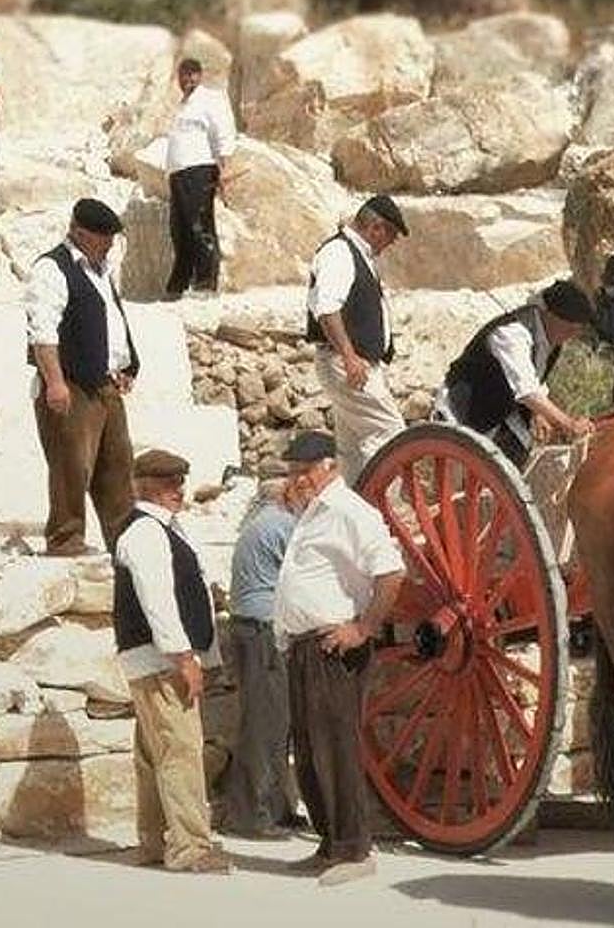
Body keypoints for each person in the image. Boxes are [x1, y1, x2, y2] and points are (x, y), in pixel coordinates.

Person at [272, 431, 404, 886]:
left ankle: (354, 847)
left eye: (305, 469)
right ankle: (330, 842)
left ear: (330, 466)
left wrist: (363, 629)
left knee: (336, 747)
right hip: (304, 644)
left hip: (334, 644)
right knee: (310, 751)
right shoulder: (313, 513)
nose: (298, 478)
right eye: (293, 470)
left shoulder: (351, 511)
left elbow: (390, 572)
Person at [114, 448, 229, 874]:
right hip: (161, 661)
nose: (178, 491)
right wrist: (184, 658)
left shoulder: (157, 530)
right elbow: (158, 600)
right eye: (170, 485)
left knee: (153, 753)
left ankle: (153, 840)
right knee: (180, 751)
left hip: (152, 659)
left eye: (179, 483)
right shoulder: (147, 534)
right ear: (152, 489)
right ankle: (190, 848)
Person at [26, 197, 139, 556]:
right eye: (102, 237)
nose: (108, 245)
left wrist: (127, 365)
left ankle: (125, 542)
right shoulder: (51, 269)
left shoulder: (101, 271)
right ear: (80, 232)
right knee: (71, 466)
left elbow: (111, 322)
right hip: (71, 384)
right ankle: (65, 539)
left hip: (105, 383)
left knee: (118, 468)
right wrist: (55, 383)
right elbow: (43, 332)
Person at [215, 469, 301, 838]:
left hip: (252, 627)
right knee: (266, 724)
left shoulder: (256, 522)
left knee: (272, 721)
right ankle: (251, 815)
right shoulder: (282, 526)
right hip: (264, 630)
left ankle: (277, 807)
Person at [434, 279, 596, 466]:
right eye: (570, 328)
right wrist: (568, 424)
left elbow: (536, 379)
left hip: (499, 416)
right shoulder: (511, 334)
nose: (572, 335)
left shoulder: (550, 339)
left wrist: (539, 414)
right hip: (465, 413)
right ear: (551, 315)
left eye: (576, 330)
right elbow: (526, 390)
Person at [305, 195, 409, 479]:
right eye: (391, 235)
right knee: (390, 435)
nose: (390, 244)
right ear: (376, 227)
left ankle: (356, 507)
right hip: (348, 363)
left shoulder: (357, 254)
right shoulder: (339, 252)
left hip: (352, 362)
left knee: (351, 450)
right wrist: (349, 357)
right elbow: (327, 309)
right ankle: (389, 512)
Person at [163, 58, 237, 298]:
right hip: (179, 173)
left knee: (199, 226)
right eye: (183, 75)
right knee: (180, 229)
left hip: (199, 169)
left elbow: (223, 130)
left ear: (200, 76)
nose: (187, 80)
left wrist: (224, 165)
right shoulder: (183, 105)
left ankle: (206, 282)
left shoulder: (209, 99)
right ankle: (180, 283)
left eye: (192, 75)